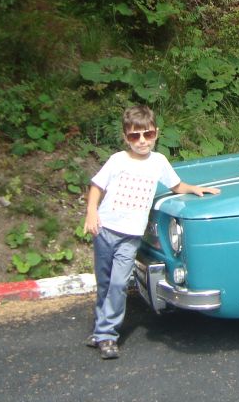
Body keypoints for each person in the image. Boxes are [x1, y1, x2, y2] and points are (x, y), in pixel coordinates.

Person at [83, 105, 220, 359]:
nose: (142, 141)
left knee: (118, 283)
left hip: (130, 236)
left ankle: (107, 335)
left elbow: (176, 185)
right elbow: (96, 186)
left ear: (156, 133)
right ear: (126, 137)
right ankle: (100, 329)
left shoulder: (158, 162)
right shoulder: (118, 160)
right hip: (105, 229)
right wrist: (92, 212)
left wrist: (196, 189)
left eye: (147, 134)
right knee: (104, 283)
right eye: (135, 136)